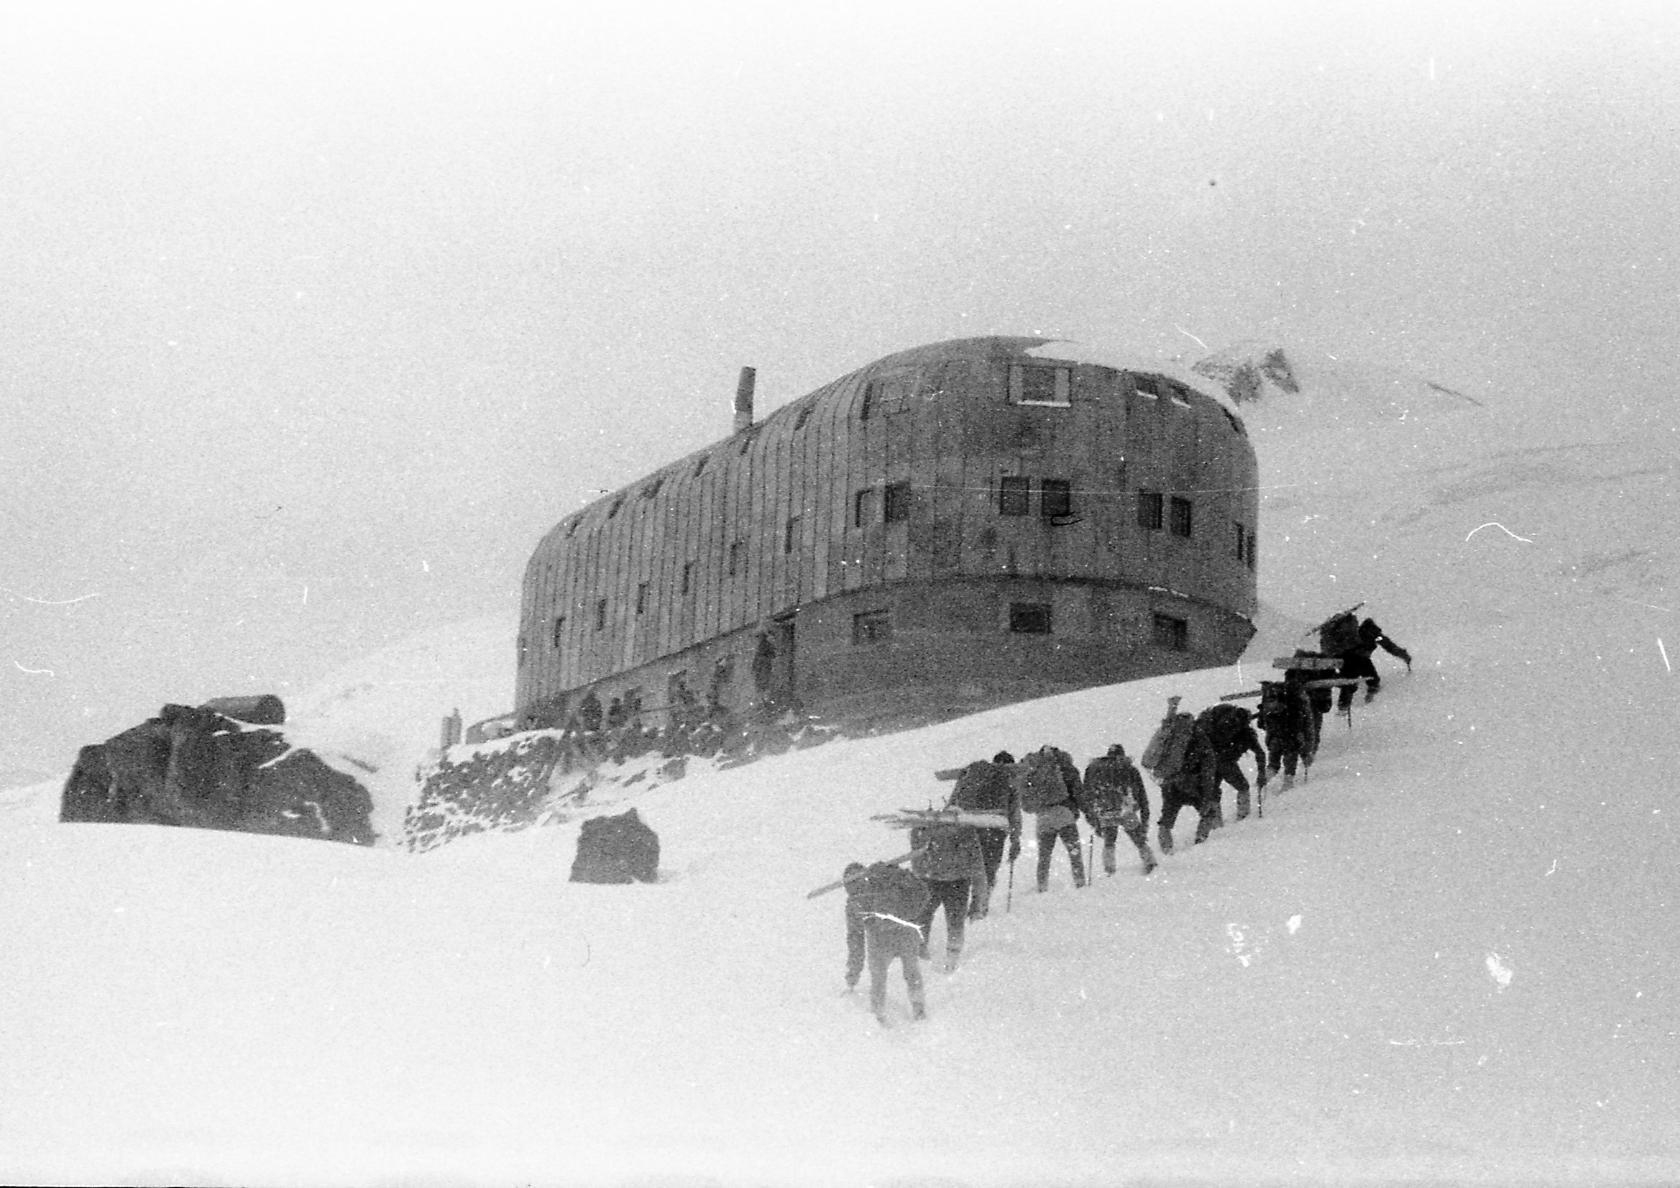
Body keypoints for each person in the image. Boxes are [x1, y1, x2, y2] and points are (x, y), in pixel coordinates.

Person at [842, 861, 930, 1025]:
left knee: (880, 977)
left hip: (883, 938)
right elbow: (922, 894)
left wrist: (853, 974)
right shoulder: (888, 880)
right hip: (904, 931)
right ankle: (917, 1009)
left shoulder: (856, 901)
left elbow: (856, 939)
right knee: (910, 972)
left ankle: (879, 1013)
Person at [943, 751, 1021, 917]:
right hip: (994, 829)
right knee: (988, 870)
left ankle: (960, 910)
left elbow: (953, 800)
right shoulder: (1008, 779)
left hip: (967, 827)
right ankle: (979, 909)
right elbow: (1014, 814)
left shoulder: (972, 774)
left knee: (966, 868)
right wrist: (1015, 840)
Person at [910, 819, 990, 971]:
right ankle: (951, 957)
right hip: (957, 882)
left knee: (924, 916)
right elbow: (978, 866)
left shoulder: (921, 829)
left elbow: (916, 862)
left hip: (931, 879)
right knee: (955, 921)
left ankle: (920, 953)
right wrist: (978, 899)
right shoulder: (966, 831)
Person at [1143, 697, 1221, 853]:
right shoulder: (1199, 739)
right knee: (1208, 813)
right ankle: (1201, 842)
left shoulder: (1170, 733)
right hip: (1192, 784)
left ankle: (1166, 849)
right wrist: (1207, 796)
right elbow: (1208, 771)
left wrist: (1172, 707)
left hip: (1169, 783)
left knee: (1167, 818)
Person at [1014, 745, 1087, 891]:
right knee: (1074, 851)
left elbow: (1026, 805)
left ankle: (1042, 886)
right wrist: (1085, 812)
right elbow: (1078, 793)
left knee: (1044, 855)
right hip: (1063, 812)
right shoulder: (1064, 767)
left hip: (1043, 816)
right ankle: (1080, 883)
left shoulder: (1031, 769)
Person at [1081, 743, 1157, 875]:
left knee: (1109, 841)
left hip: (1106, 809)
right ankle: (1150, 862)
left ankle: (1109, 869)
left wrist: (1093, 819)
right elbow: (1142, 795)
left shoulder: (1095, 769)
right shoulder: (1129, 768)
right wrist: (1144, 821)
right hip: (1125, 808)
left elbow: (1087, 794)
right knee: (1138, 839)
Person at [1320, 612, 1412, 710]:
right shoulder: (1371, 635)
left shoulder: (1350, 635)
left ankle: (1344, 707)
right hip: (1354, 658)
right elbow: (1388, 645)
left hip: (1339, 657)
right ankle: (1365, 704)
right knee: (1362, 679)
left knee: (1350, 681)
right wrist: (1404, 655)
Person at [1196, 703, 1268, 822]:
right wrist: (1261, 773)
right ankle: (1243, 817)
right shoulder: (1246, 733)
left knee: (1213, 791)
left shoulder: (1217, 726)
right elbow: (1260, 753)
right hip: (1225, 761)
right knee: (1243, 786)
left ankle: (1215, 824)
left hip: (1209, 762)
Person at [1257, 677, 1316, 792]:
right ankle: (1287, 786)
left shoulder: (1268, 708)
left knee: (1273, 764)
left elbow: (1261, 724)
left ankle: (1261, 784)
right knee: (1289, 765)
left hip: (1274, 739)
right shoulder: (1297, 708)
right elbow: (1305, 729)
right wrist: (1305, 751)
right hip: (1291, 740)